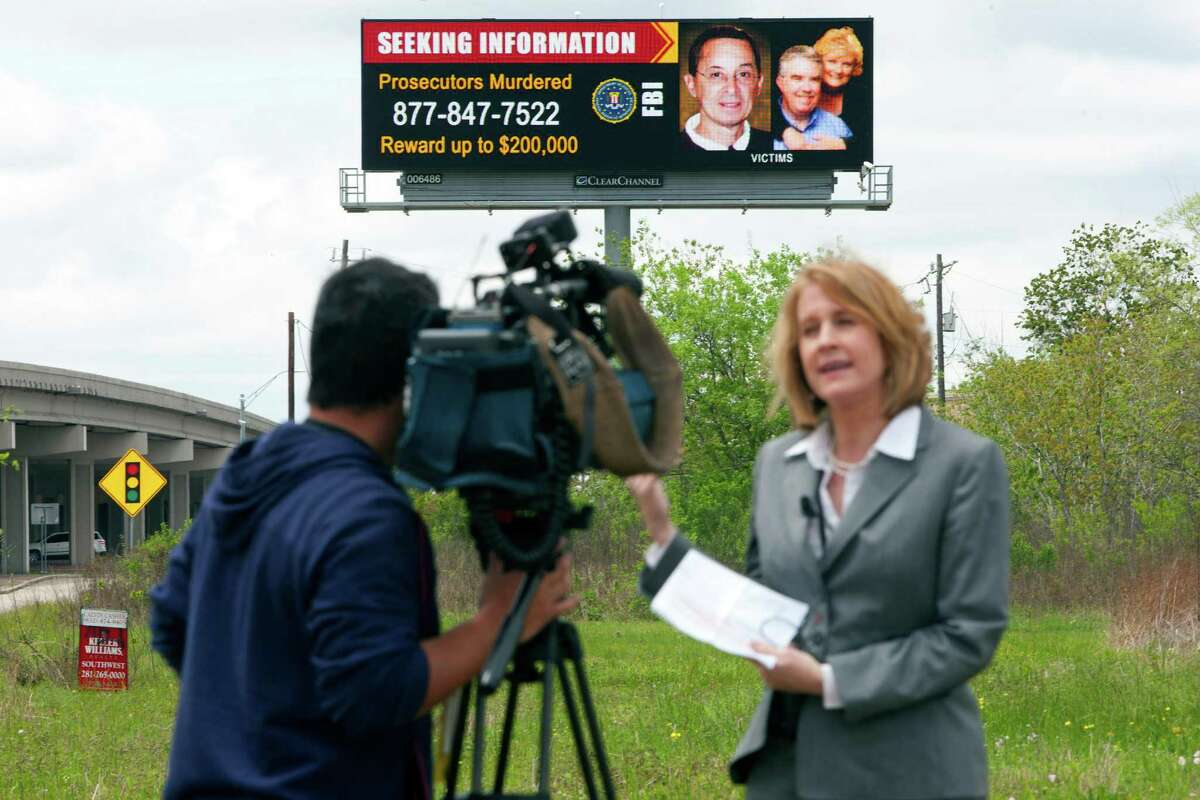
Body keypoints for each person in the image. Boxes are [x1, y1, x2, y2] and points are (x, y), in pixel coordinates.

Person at [149, 259, 577, 799]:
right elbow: (377, 691)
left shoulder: (248, 469)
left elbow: (172, 623)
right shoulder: (368, 514)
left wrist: (264, 715)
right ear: (414, 376)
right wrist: (498, 621)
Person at [627, 258, 1010, 799]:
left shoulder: (964, 463)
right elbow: (761, 606)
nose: (825, 339)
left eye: (844, 321)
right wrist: (664, 537)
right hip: (786, 770)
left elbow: (969, 634)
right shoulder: (777, 464)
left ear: (890, 336)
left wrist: (828, 681)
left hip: (910, 772)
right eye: (810, 330)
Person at [680, 25, 773, 151]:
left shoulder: (778, 147)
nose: (732, 89)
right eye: (716, 75)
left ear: (759, 84)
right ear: (691, 84)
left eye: (743, 74)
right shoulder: (665, 153)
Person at [772, 45, 853, 152]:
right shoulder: (766, 128)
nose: (807, 88)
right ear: (780, 83)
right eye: (797, 78)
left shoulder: (837, 126)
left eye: (814, 80)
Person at [814, 26, 865, 119]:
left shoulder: (863, 100)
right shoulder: (803, 92)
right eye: (832, 61)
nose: (838, 70)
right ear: (818, 61)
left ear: (854, 68)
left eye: (847, 64)